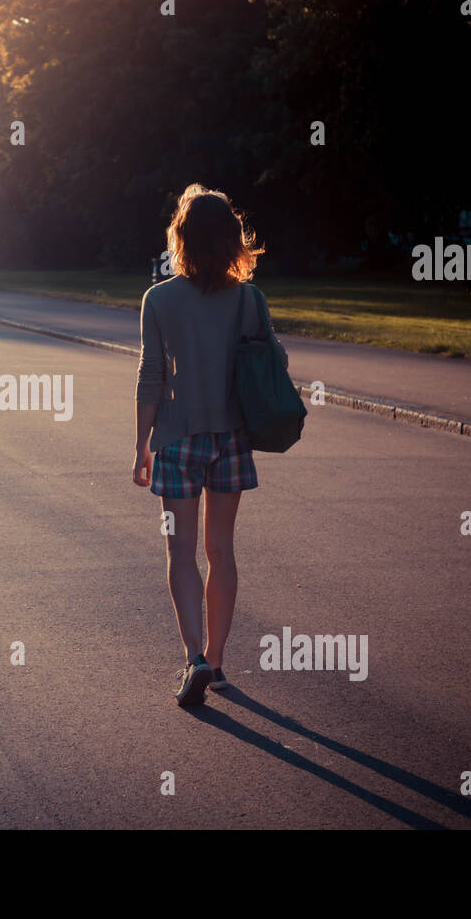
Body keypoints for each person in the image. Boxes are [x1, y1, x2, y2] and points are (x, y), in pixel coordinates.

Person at [132, 183, 286, 707]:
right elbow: (273, 365)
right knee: (221, 551)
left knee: (180, 552)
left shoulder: (159, 299)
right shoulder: (249, 299)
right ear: (232, 240)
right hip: (232, 440)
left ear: (182, 237)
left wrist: (141, 446)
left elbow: (152, 375)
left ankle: (194, 658)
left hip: (176, 442)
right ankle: (217, 665)